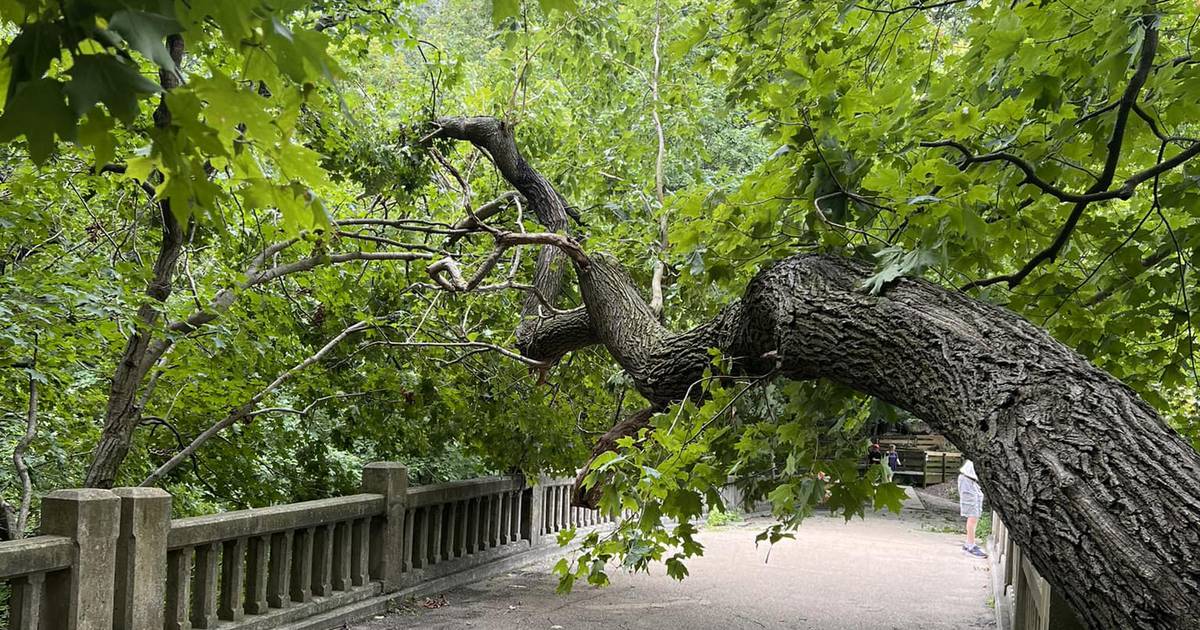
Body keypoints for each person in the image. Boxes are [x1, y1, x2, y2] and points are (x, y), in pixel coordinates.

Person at [958, 459, 987, 558]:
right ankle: (970, 546)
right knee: (973, 514)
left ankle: (968, 543)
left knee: (977, 512)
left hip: (974, 482)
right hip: (968, 480)